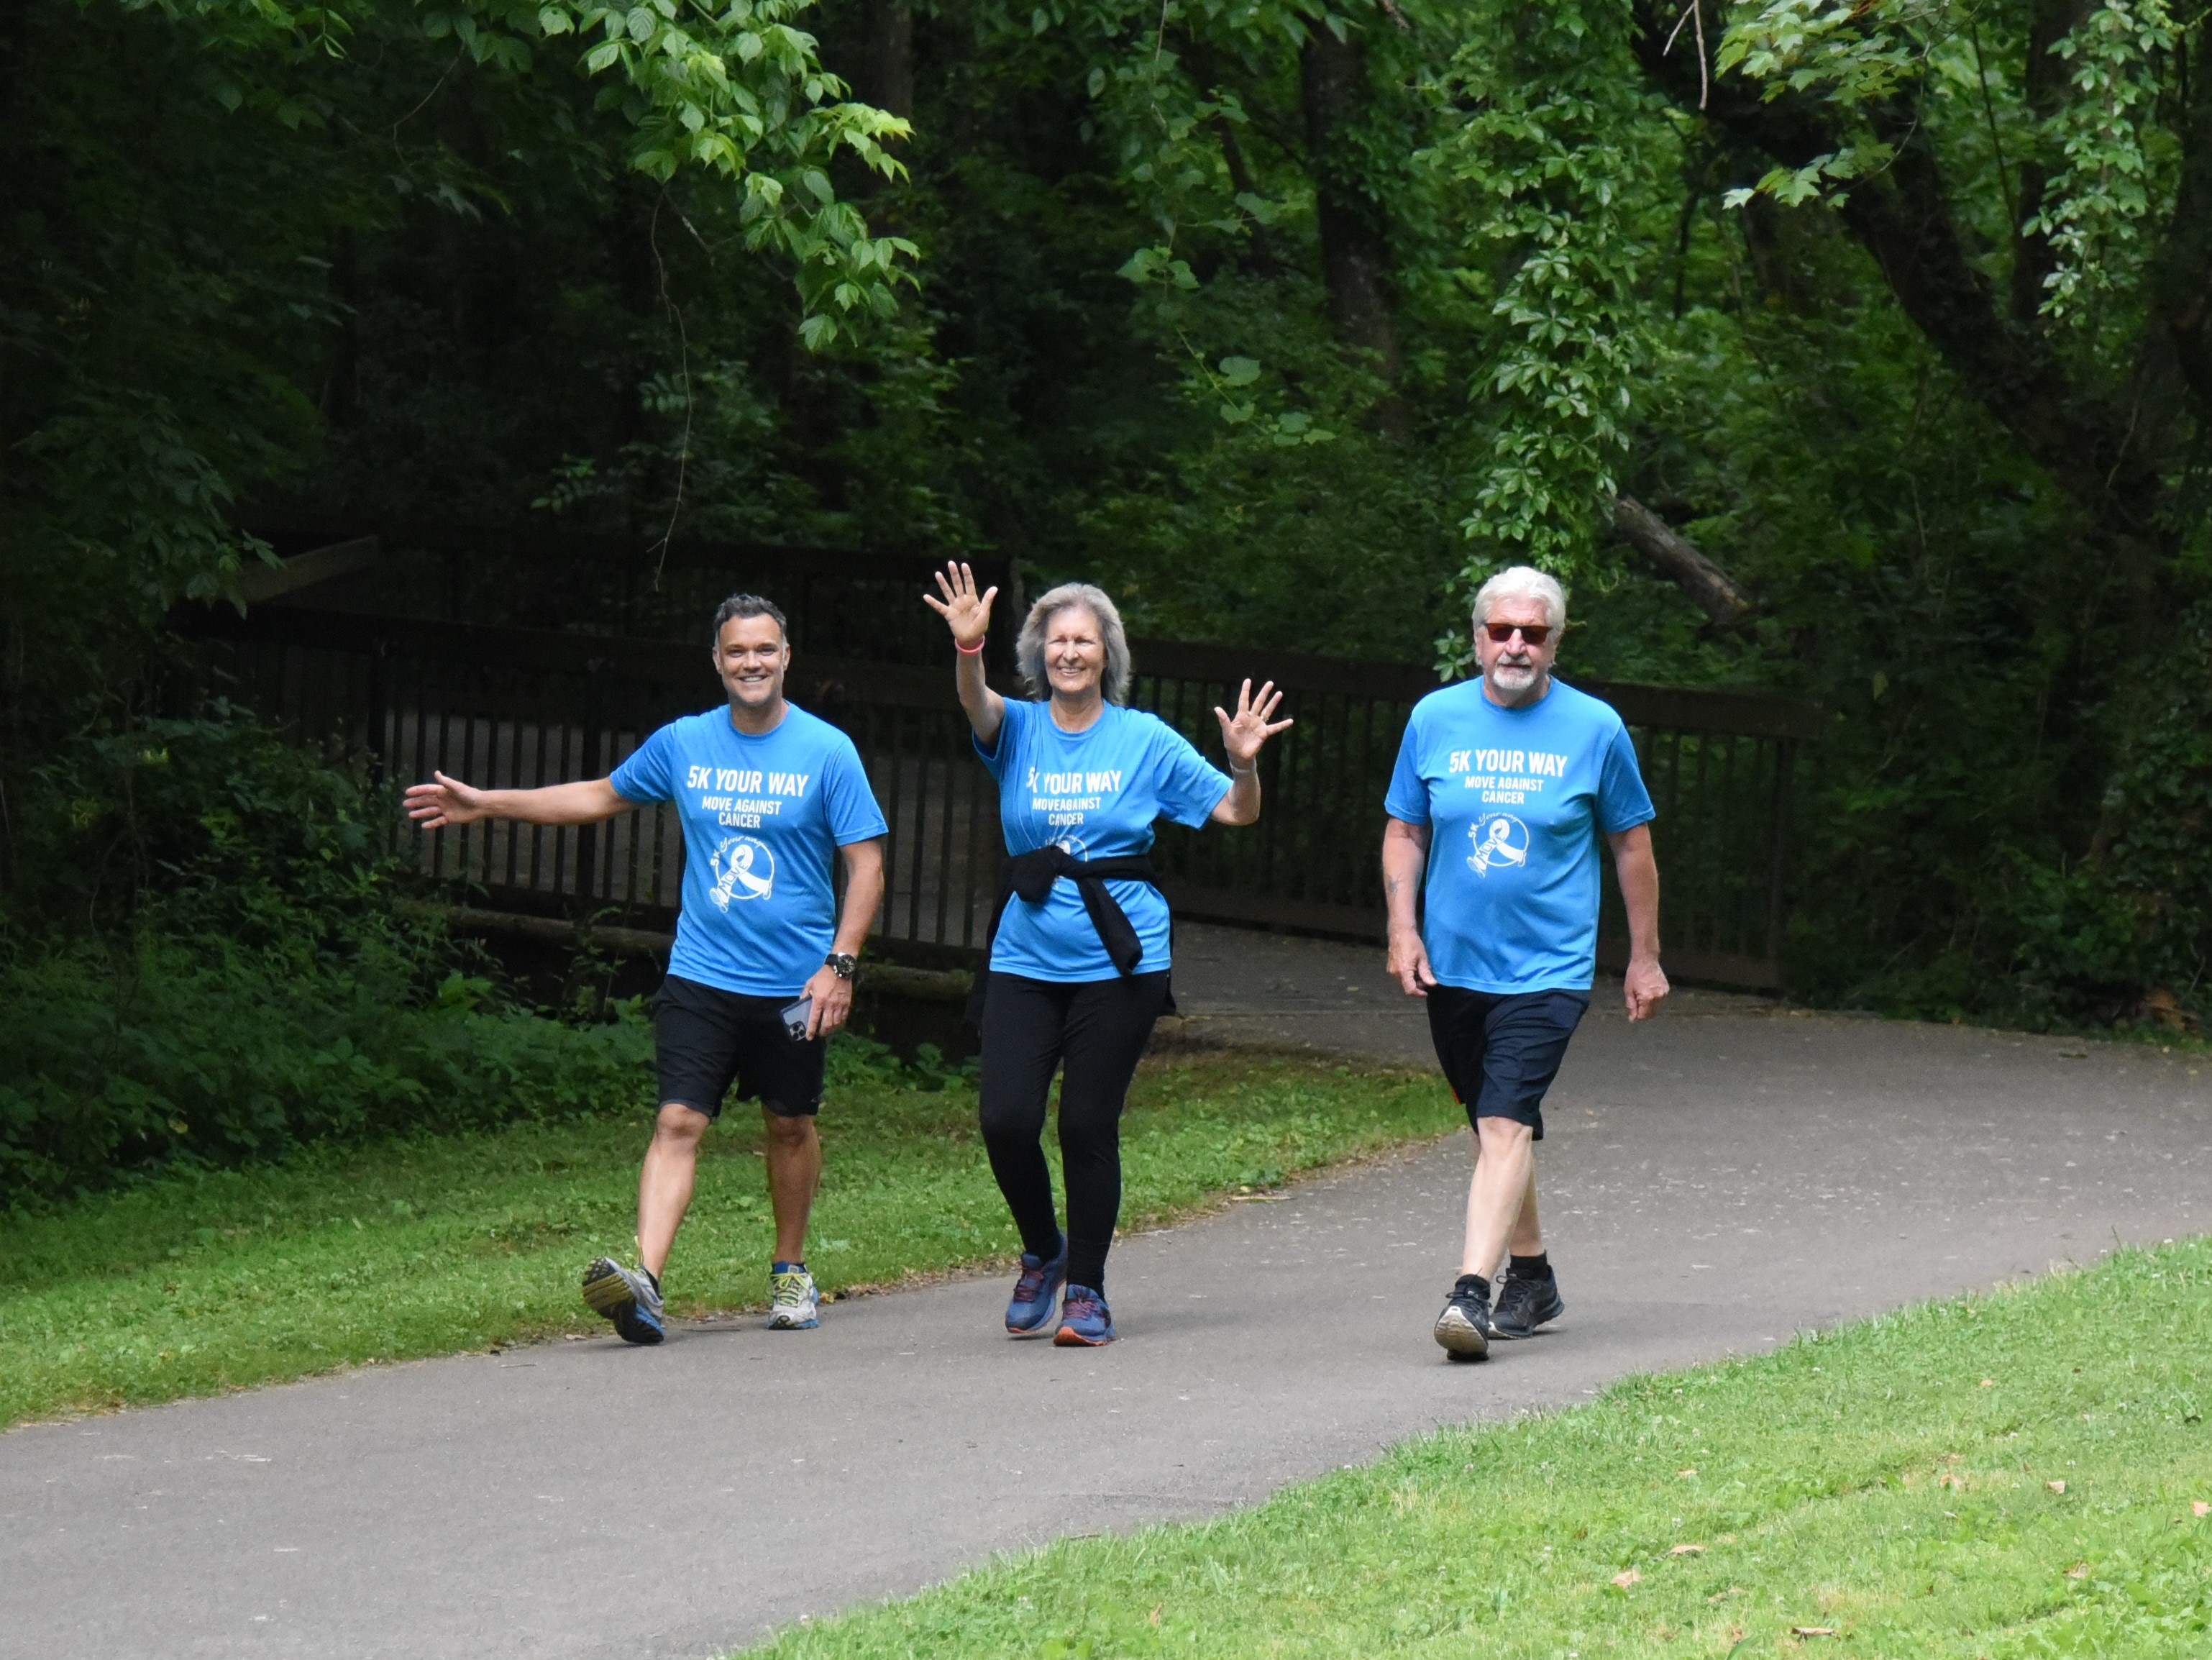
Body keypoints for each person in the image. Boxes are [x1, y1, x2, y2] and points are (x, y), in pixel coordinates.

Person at [404, 595, 887, 1344]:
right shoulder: (685, 743)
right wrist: (487, 803)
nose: (751, 663)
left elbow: (866, 866)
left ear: (786, 657)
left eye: (764, 650)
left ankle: (790, 1271)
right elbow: (598, 795)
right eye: (736, 652)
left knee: (790, 1124)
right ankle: (646, 1286)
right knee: (677, 1119)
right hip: (703, 973)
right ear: (717, 662)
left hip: (796, 983)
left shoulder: (828, 752)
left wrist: (840, 966)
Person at [923, 564, 1291, 1346]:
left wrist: (1245, 761)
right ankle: (1044, 1251)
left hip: (1120, 961)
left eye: (1083, 640)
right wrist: (967, 647)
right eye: (1056, 640)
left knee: (1088, 1121)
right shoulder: (1016, 728)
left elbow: (1234, 811)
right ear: (1037, 653)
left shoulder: (1144, 738)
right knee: (1005, 1119)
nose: (1069, 652)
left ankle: (1086, 1290)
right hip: (1026, 954)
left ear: (1106, 654)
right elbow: (974, 701)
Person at [1381, 565, 1667, 1362]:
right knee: (1491, 1121)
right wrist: (1402, 928)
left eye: (1532, 633)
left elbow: (1631, 846)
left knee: (1503, 1119)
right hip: (1453, 965)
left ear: (1555, 642)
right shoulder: (1434, 718)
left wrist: (1643, 958)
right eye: (1501, 630)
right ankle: (1533, 1274)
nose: (1515, 644)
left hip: (1548, 969)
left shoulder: (1595, 729)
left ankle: (1470, 1293)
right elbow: (1405, 830)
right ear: (1476, 639)